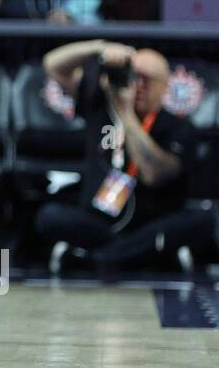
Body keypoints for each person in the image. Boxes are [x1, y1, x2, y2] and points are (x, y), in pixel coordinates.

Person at [39, 40, 203, 272]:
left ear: (165, 85)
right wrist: (99, 48)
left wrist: (126, 115)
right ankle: (131, 255)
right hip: (99, 222)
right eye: (133, 76)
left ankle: (101, 259)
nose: (138, 85)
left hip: (151, 221)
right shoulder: (100, 107)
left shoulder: (179, 126)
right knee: (50, 215)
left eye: (147, 79)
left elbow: (155, 174)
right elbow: (52, 65)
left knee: (202, 221)